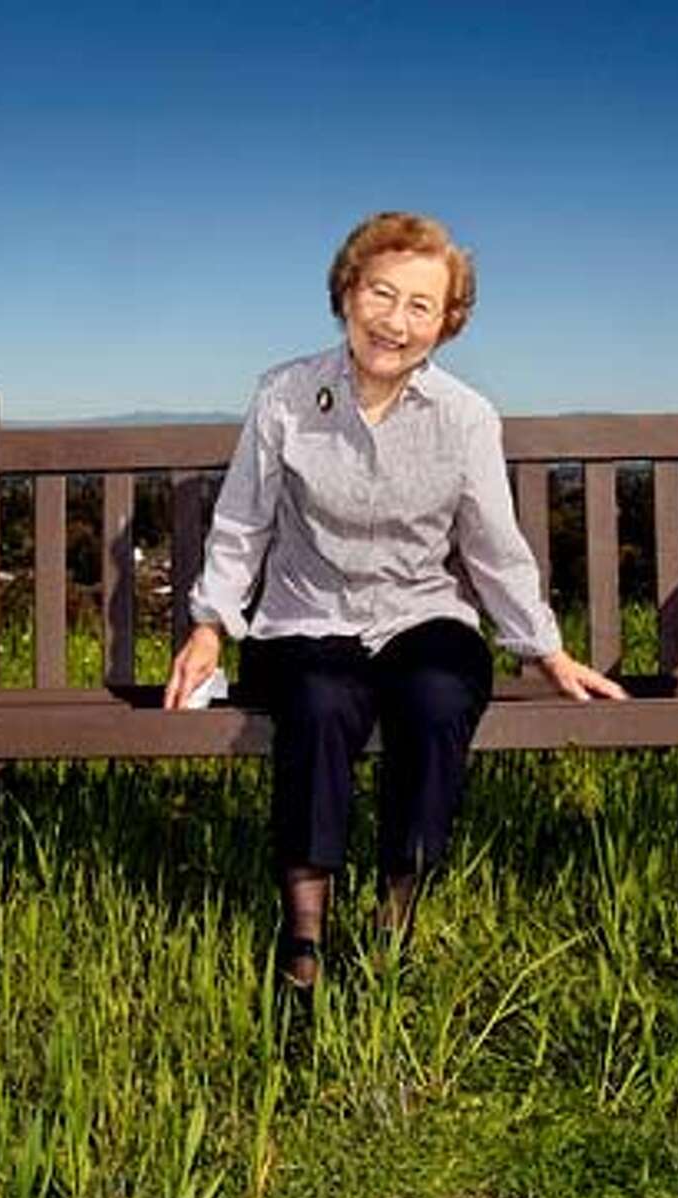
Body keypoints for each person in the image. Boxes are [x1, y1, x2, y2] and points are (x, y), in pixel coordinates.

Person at [163, 211, 625, 990]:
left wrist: (545, 651)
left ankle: (393, 925)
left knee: (439, 693)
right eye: (382, 293)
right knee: (318, 698)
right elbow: (244, 520)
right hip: (305, 618)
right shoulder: (283, 395)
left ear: (448, 324)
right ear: (347, 293)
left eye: (422, 306)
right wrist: (210, 626)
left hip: (424, 614)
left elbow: (492, 544)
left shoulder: (466, 417)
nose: (396, 321)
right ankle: (304, 943)